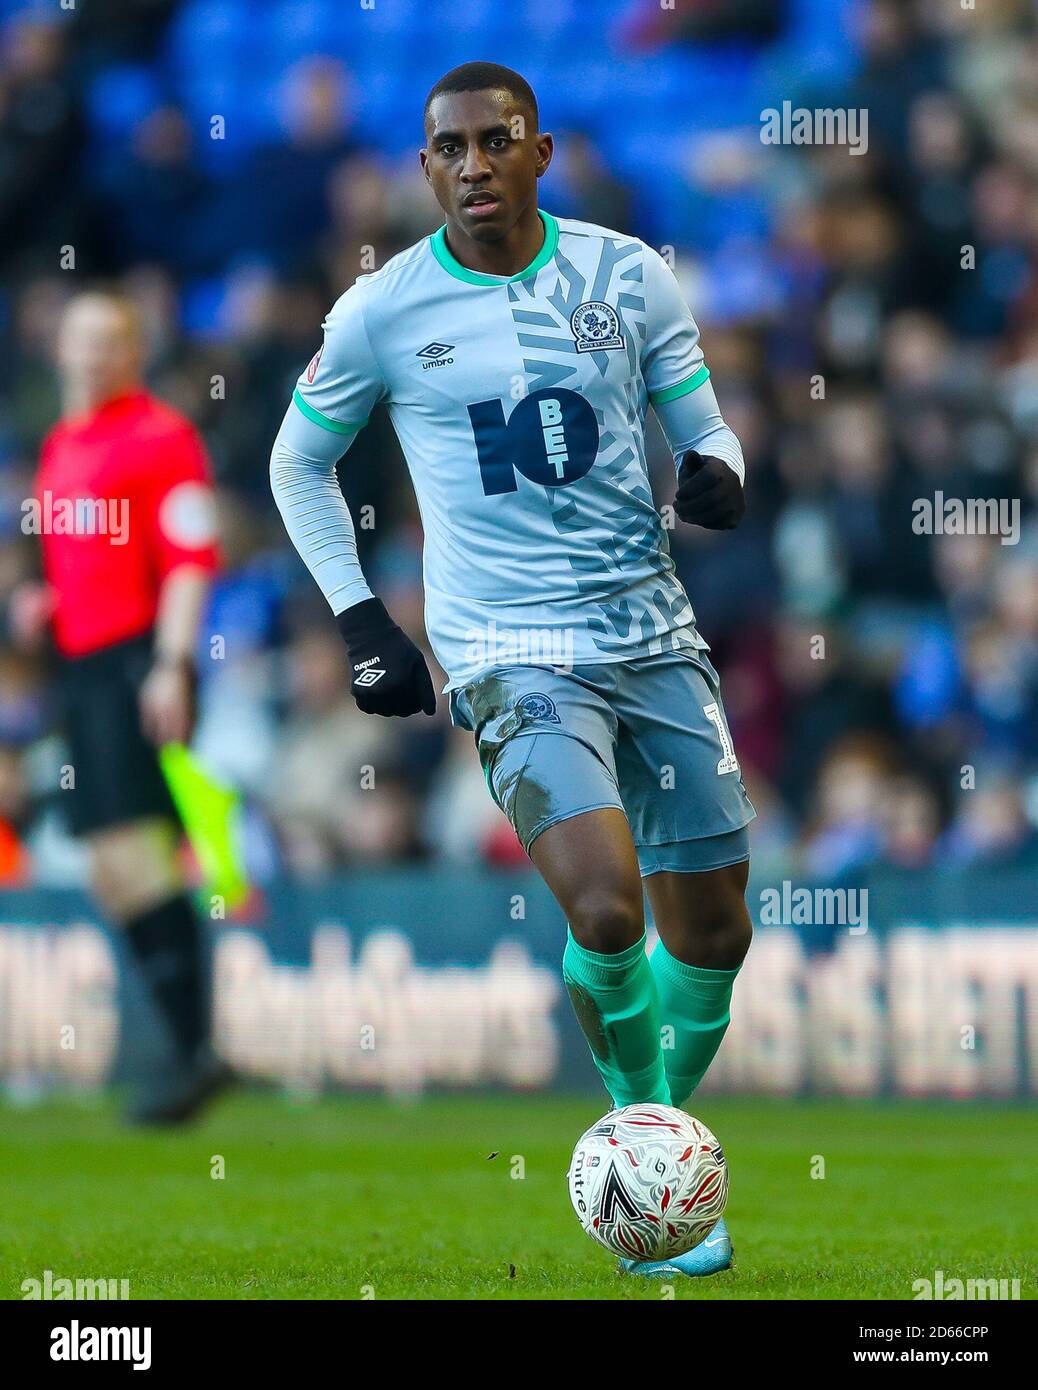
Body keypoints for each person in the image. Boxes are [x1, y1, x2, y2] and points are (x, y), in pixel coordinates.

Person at [270, 62, 754, 1275]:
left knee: (717, 935)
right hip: (507, 651)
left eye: (498, 141)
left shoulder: (629, 274)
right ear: (425, 167)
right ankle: (642, 1160)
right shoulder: (383, 310)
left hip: (650, 633)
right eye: (449, 149)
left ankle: (650, 1141)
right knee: (605, 903)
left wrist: (718, 472)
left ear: (544, 150)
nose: (473, 165)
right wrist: (363, 617)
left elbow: (705, 423)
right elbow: (296, 462)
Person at [21, 290, 228, 1123]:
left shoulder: (162, 436)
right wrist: (45, 603)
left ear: (135, 352)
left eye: (114, 341)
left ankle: (192, 1053)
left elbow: (187, 558)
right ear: (60, 349)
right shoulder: (62, 444)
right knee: (112, 865)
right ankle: (191, 1050)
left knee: (131, 849)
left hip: (137, 660)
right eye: (85, 339)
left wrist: (173, 664)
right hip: (81, 665)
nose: (98, 355)